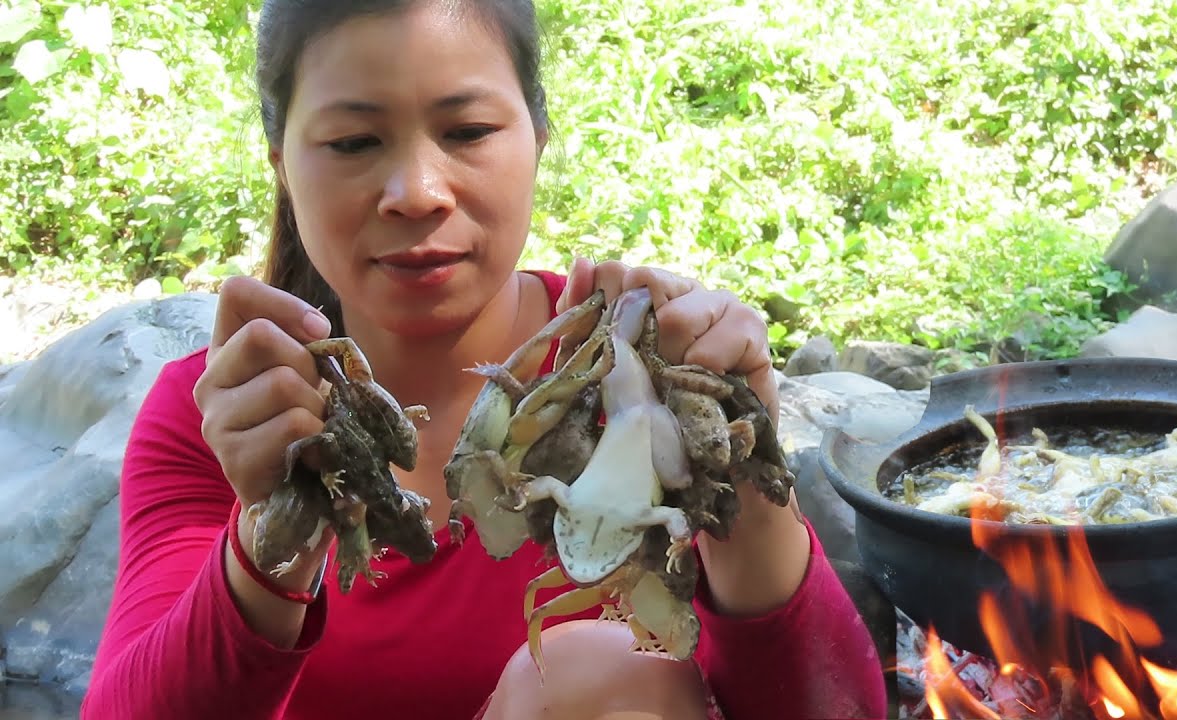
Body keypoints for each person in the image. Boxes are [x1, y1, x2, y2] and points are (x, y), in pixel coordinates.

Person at [81, 1, 889, 718]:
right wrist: (273, 533)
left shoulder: (646, 381)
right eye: (354, 141)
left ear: (537, 134)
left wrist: (741, 469)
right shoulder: (226, 418)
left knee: (602, 667)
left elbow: (835, 706)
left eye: (467, 132)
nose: (417, 191)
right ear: (281, 162)